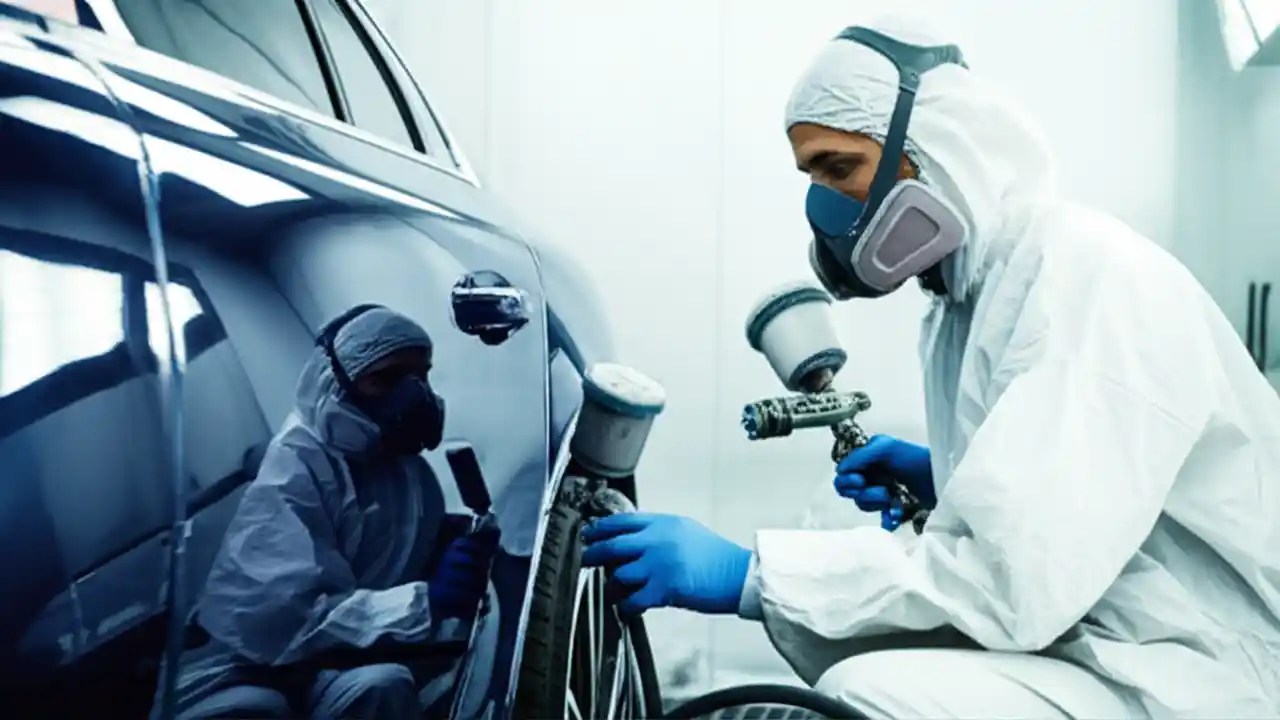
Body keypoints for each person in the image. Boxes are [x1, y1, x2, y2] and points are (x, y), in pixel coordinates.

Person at [581, 14, 1280, 719]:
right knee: (867, 662)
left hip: (1202, 678)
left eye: (840, 168)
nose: (825, 204)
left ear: (937, 150)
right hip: (1115, 648)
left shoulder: (1081, 274)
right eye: (813, 175)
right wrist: (950, 485)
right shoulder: (961, 308)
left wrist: (751, 575)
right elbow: (1058, 523)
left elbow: (1012, 577)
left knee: (864, 696)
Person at [171, 304, 499, 720]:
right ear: (334, 384)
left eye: (421, 376)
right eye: (387, 379)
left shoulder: (405, 472)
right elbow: (282, 623)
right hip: (246, 664)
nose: (415, 396)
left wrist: (439, 546)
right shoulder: (294, 464)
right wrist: (425, 600)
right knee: (253, 710)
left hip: (333, 659)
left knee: (383, 686)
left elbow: (375, 559)